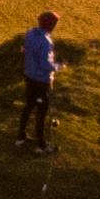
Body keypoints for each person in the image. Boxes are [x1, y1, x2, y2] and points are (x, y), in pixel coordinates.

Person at [15, 11, 61, 151]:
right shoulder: (46, 42)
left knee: (28, 106)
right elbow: (45, 65)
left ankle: (21, 137)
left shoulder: (30, 34)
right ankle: (41, 145)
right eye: (54, 23)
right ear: (50, 24)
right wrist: (58, 66)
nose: (55, 26)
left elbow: (24, 50)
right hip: (41, 81)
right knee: (42, 111)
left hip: (29, 77)